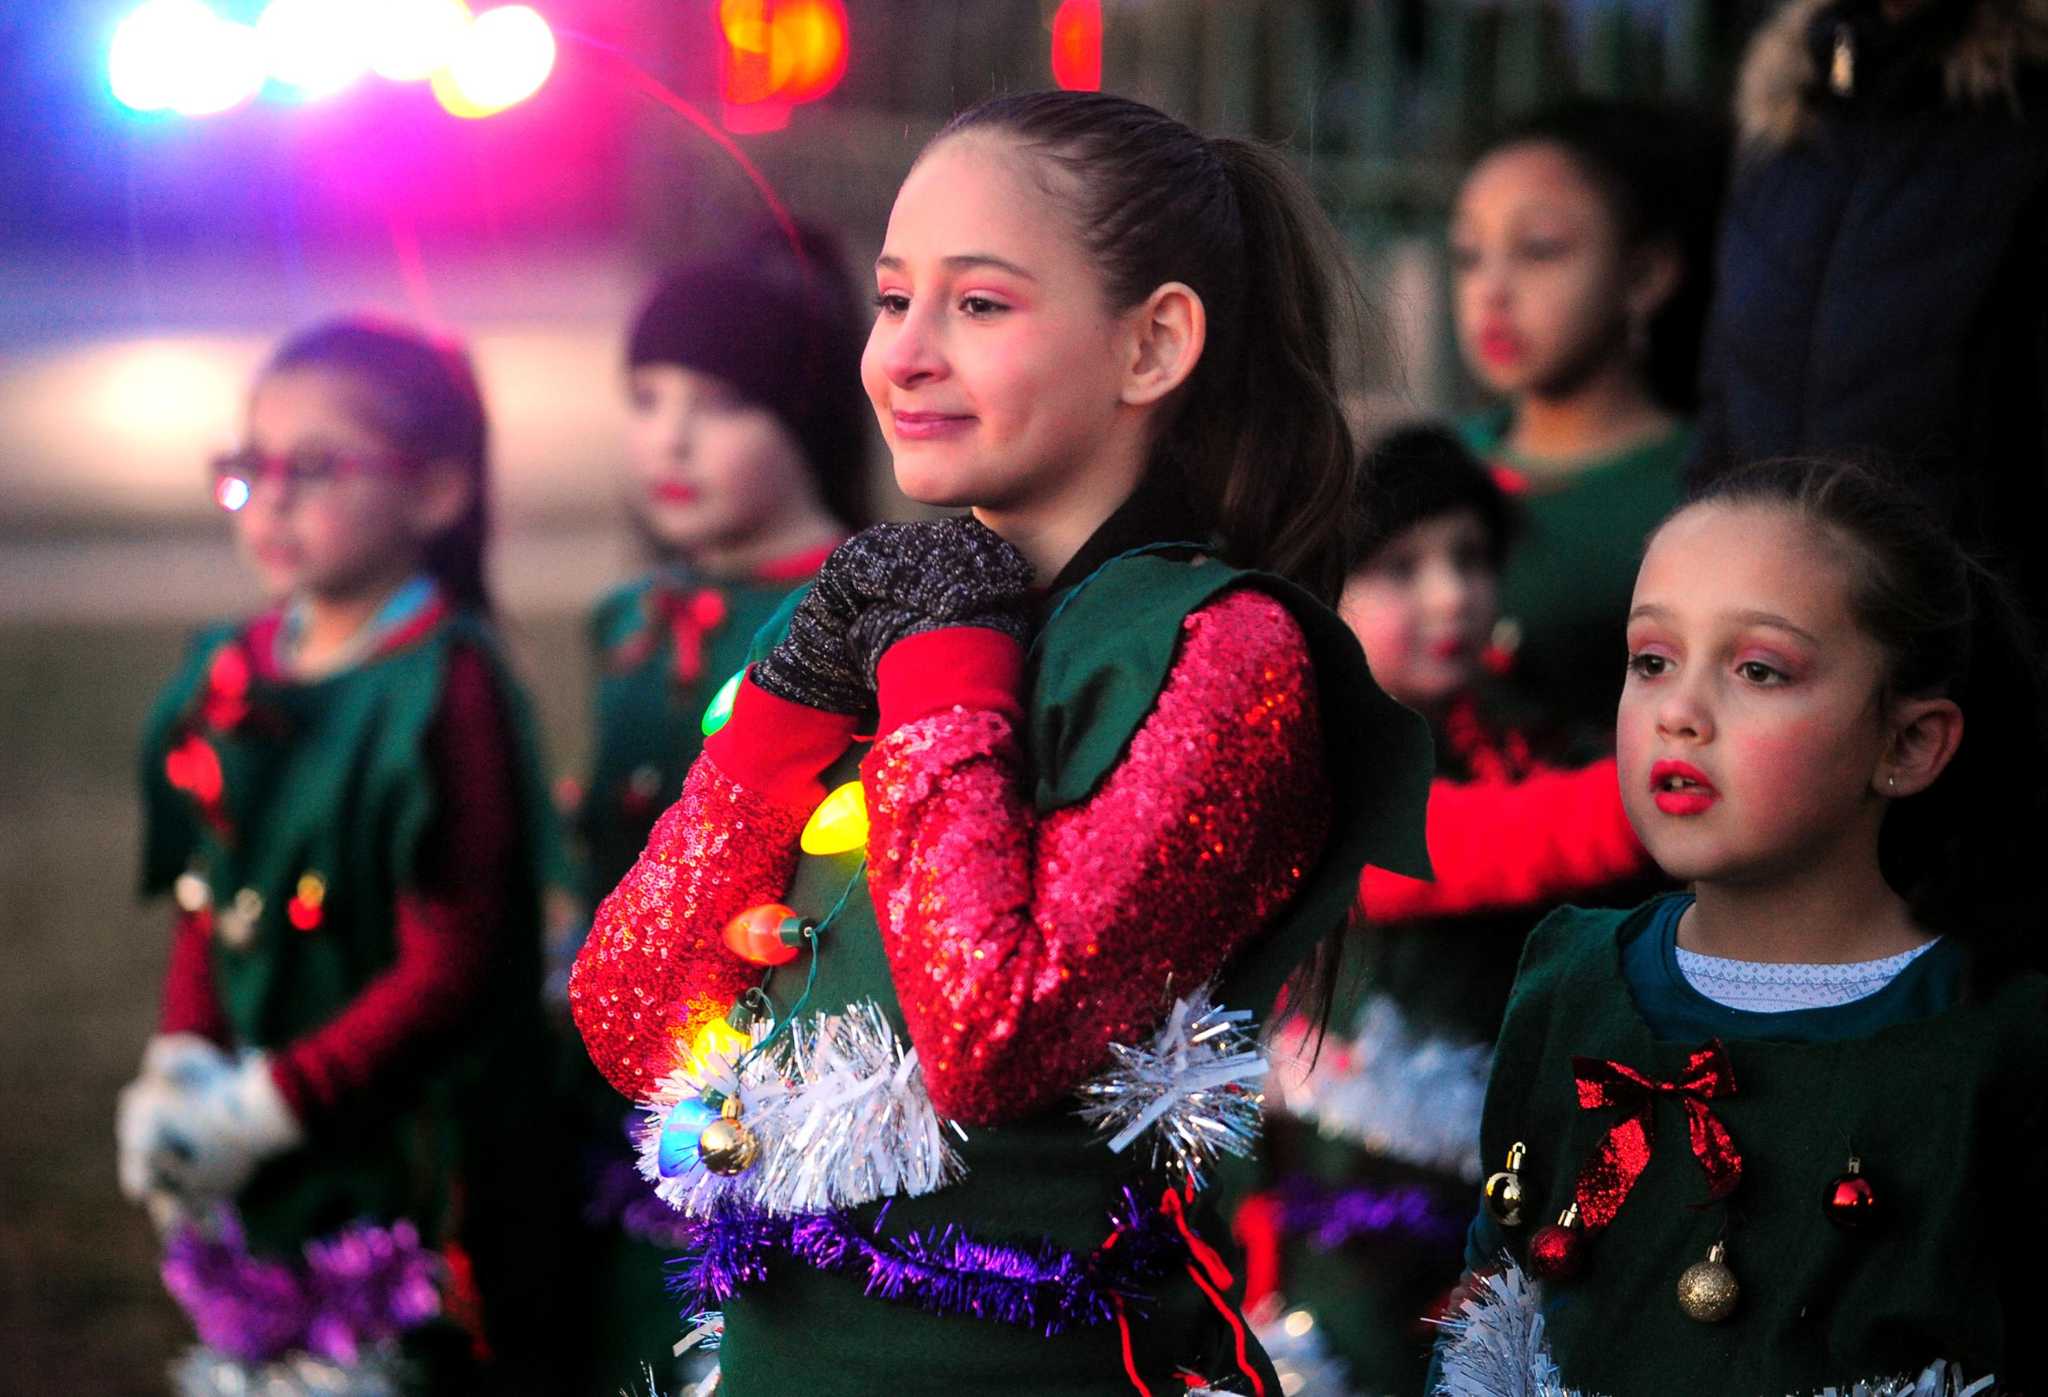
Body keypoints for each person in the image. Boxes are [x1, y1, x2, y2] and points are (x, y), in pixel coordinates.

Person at [569, 90, 1436, 1396]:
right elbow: (633, 1018)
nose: (904, 355)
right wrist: (782, 711)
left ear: (1152, 347)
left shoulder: (1221, 647)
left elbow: (992, 1037)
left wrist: (940, 671)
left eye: (978, 306)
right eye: (891, 297)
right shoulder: (882, 614)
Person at [1434, 457, 2048, 1392]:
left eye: (1759, 669)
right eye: (1651, 660)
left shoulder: (2001, 1039)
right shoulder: (1567, 982)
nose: (1678, 713)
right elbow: (1483, 1321)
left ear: (1908, 742)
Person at [116, 317, 560, 1393]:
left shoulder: (443, 688)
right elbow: (207, 896)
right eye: (250, 465)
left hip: (402, 1164)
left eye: (312, 468)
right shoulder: (233, 667)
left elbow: (453, 967)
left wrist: (268, 1103)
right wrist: (183, 1055)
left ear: (436, 490)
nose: (269, 498)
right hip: (274, 1141)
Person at [1235, 426, 1648, 1394]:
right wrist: (1655, 798)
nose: (1451, 593)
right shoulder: (1304, 758)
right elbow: (1454, 847)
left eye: (1468, 556)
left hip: (1506, 1178)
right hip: (1342, 1197)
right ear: (1312, 593)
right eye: (1399, 567)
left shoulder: (1517, 730)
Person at [558, 225, 869, 1390]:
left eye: (720, 401)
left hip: (770, 1077)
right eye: (646, 396)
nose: (670, 436)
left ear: (809, 418)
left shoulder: (857, 611)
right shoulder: (630, 617)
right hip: (617, 1075)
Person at [1692, 0, 2048, 618]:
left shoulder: (2027, 117)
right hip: (1775, 643)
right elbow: (1725, 412)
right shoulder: (1785, 125)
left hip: (1974, 654)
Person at [1451, 98, 1727, 733]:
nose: (1492, 289)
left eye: (1540, 249)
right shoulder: (1434, 469)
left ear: (1646, 274)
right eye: (1468, 255)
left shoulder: (1708, 492)